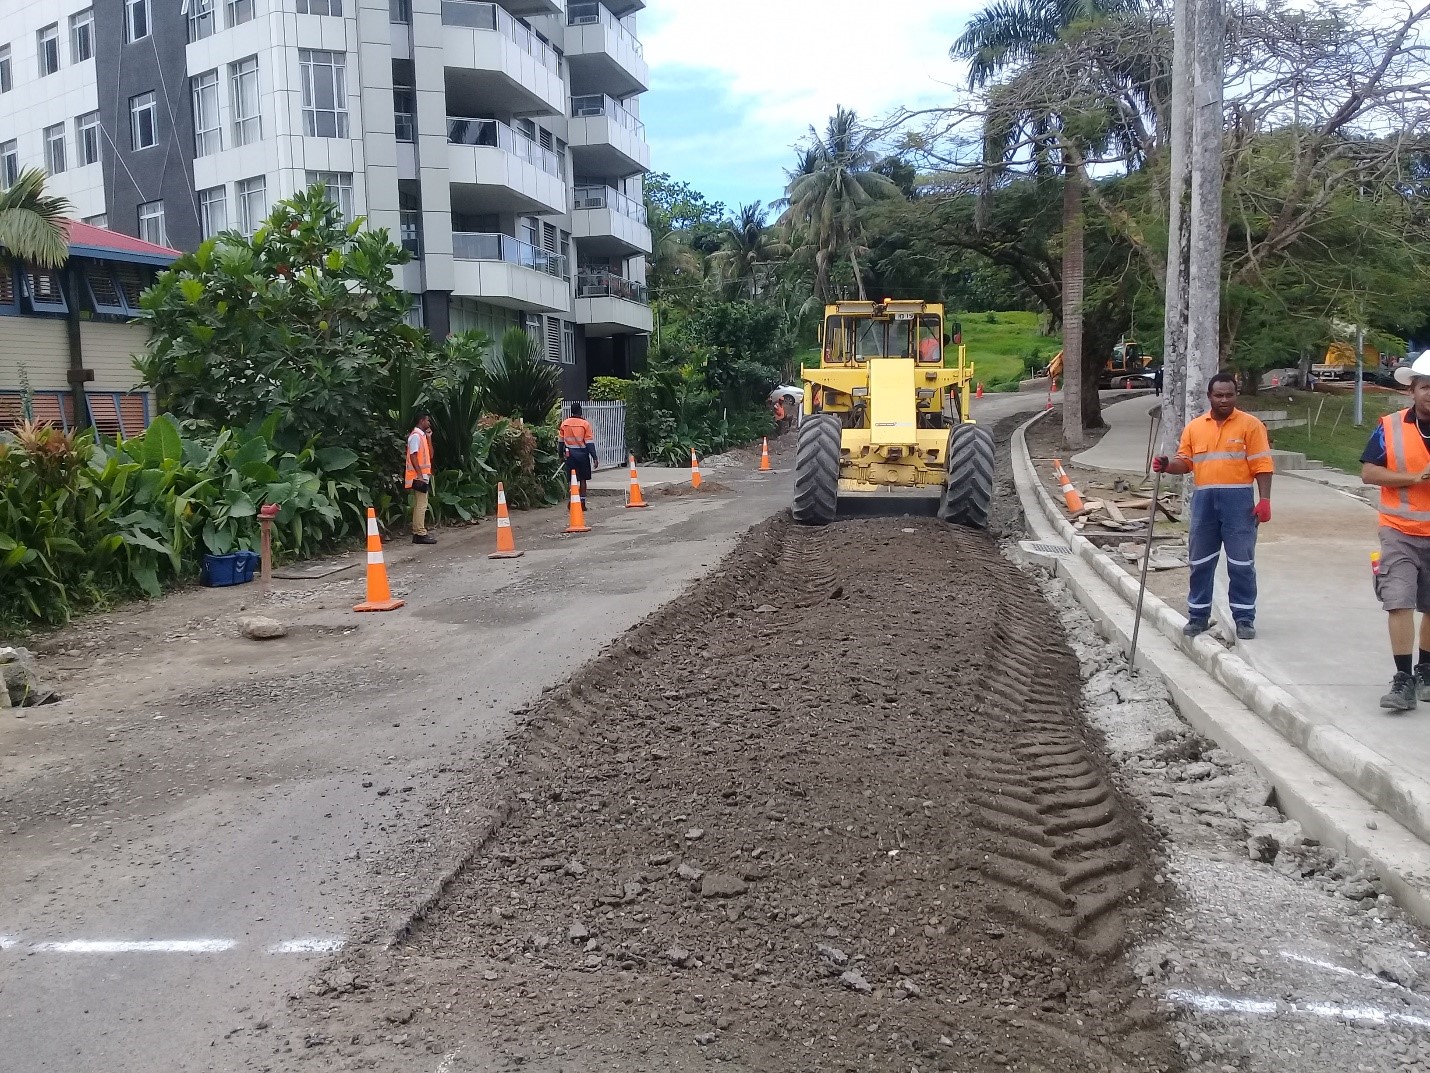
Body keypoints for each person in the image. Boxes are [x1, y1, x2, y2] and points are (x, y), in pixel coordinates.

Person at [1153, 372, 1274, 640]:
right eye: (1218, 395)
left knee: (1241, 563)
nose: (1224, 400)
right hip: (1204, 503)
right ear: (1209, 397)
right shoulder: (1195, 427)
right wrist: (1167, 465)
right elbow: (1184, 462)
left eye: (1229, 395)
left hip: (1238, 503)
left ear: (1236, 395)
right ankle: (1197, 616)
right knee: (1200, 561)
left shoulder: (1251, 426)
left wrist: (1264, 500)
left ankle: (1244, 618)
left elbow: (1263, 466)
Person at [1360, 353, 1430, 710]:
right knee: (1398, 600)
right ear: (1412, 391)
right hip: (1399, 530)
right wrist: (1412, 479)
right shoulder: (1389, 426)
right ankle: (1403, 678)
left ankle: (1426, 671)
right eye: (1425, 387)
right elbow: (1369, 472)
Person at [558, 403, 599, 504]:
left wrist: (560, 456)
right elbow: (589, 443)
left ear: (571, 411)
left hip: (570, 455)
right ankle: (582, 501)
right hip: (583, 455)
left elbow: (560, 442)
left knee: (572, 479)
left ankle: (573, 499)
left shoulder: (565, 424)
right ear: (580, 411)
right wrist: (594, 457)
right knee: (583, 479)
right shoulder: (585, 424)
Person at [406, 412, 436, 545]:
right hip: (418, 476)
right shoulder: (415, 437)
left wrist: (429, 438)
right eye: (427, 421)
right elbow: (413, 456)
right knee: (421, 505)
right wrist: (419, 475)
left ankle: (418, 532)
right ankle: (419, 533)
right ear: (422, 421)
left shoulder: (422, 436)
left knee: (420, 504)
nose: (429, 423)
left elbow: (430, 455)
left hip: (422, 475)